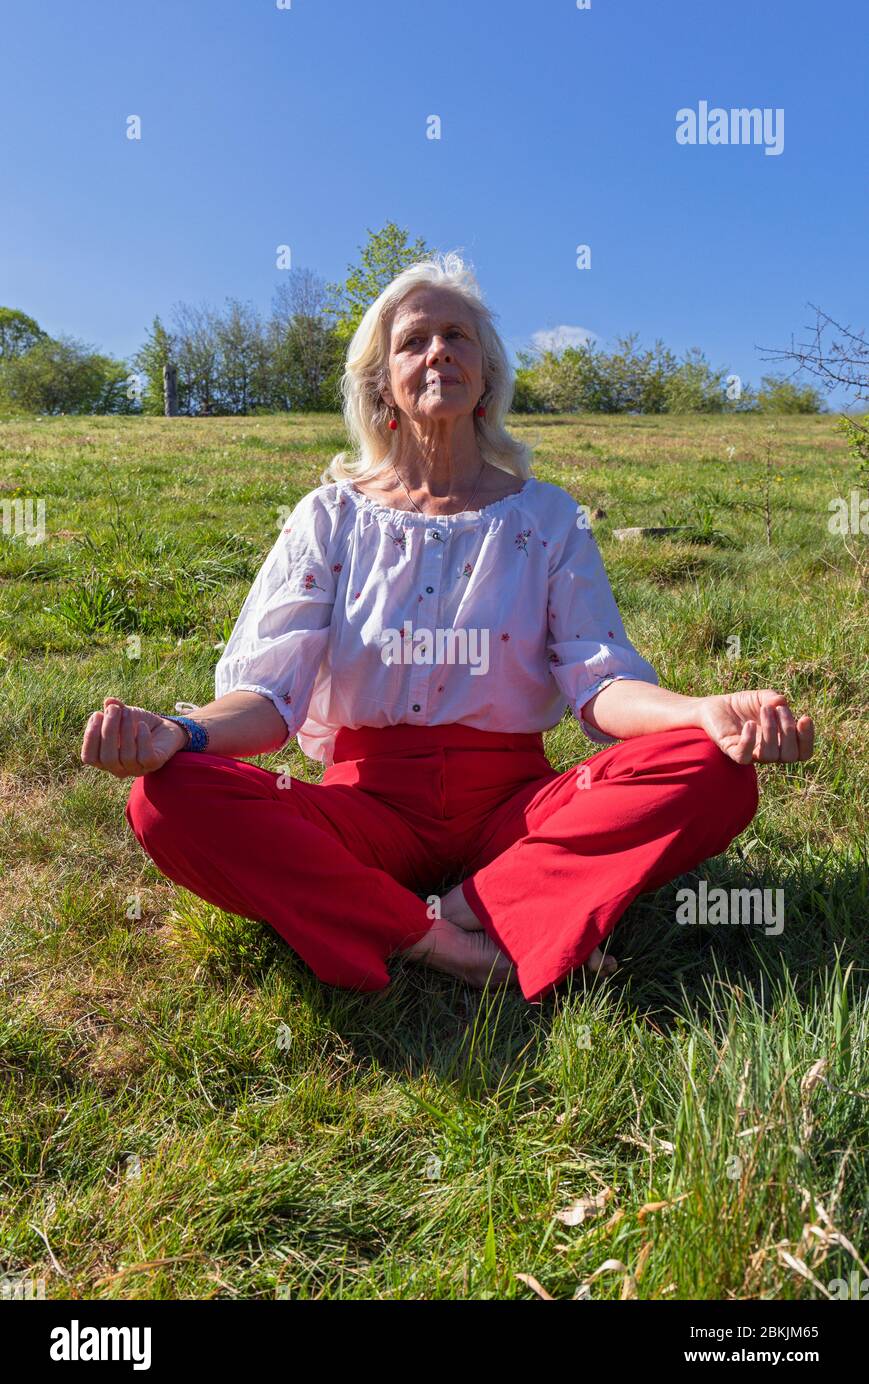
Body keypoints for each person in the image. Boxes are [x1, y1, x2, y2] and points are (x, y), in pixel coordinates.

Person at [80, 252, 814, 1003]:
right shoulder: (328, 517)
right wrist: (181, 733)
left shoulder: (547, 516)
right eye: (413, 340)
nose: (438, 351)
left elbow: (600, 684)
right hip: (364, 810)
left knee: (712, 767)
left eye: (457, 336)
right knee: (166, 798)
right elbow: (268, 701)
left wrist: (700, 715)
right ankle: (449, 944)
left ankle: (452, 910)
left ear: (487, 375)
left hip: (515, 809)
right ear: (380, 382)